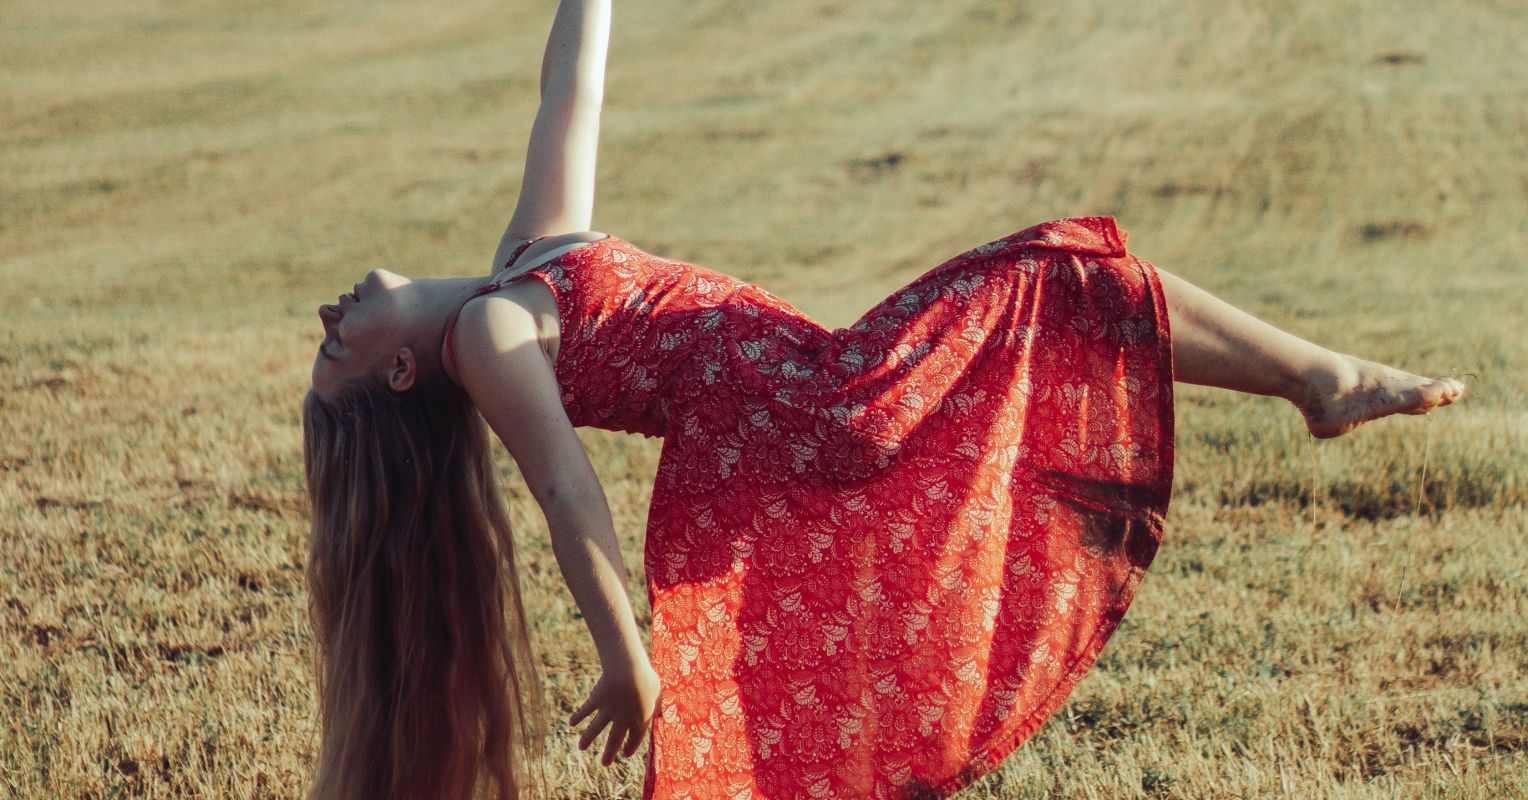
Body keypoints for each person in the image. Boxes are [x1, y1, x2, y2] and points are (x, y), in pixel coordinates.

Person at [300, 2, 1466, 799]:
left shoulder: (521, 264)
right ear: (399, 374)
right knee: (1061, 276)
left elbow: (572, 90)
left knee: (1071, 285)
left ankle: (1313, 379)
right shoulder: (488, 335)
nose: (327, 314)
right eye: (334, 348)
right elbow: (566, 493)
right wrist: (625, 655)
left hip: (813, 379)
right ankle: (1318, 379)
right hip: (823, 399)